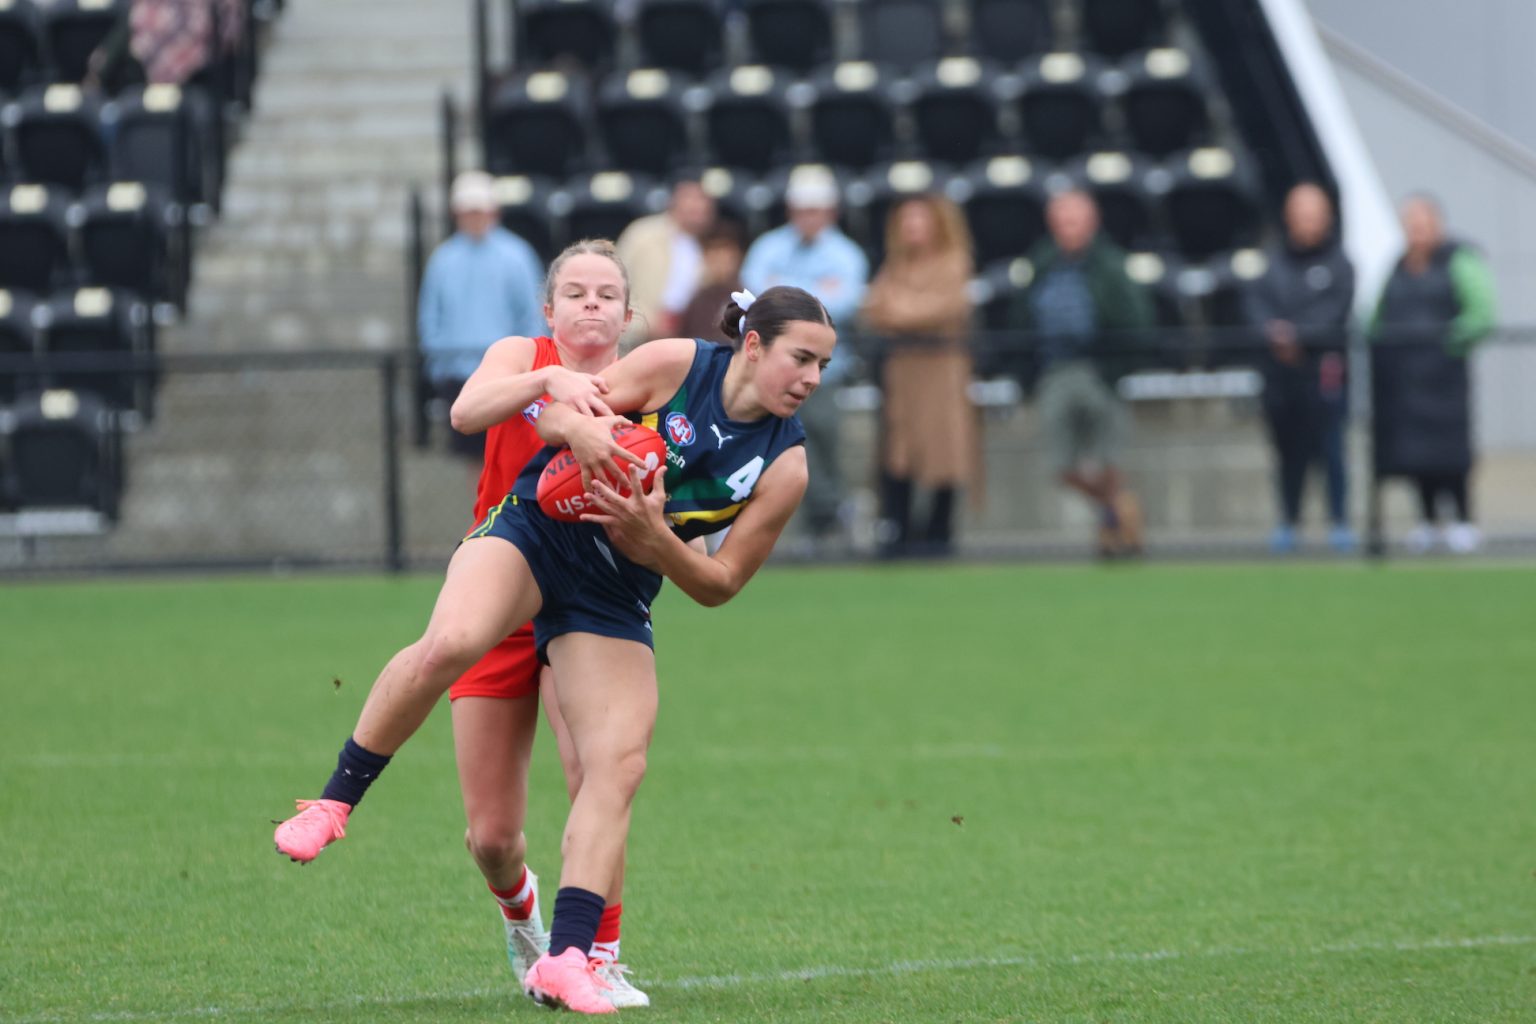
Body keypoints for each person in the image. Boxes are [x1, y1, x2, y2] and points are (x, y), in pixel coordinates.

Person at [274, 276, 834, 1014]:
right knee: (455, 639)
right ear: (754, 345)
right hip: (536, 532)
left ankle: (568, 959)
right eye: (802, 358)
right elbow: (553, 418)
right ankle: (334, 803)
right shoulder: (675, 364)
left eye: (824, 366)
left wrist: (654, 538)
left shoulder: (785, 465)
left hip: (616, 590)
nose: (813, 379)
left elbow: (721, 582)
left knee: (618, 764)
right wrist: (579, 429)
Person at [438, 242, 647, 1007]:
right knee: (492, 837)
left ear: (629, 314)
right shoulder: (518, 354)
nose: (591, 305)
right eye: (576, 293)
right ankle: (521, 913)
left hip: (585, 604)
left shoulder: (647, 385)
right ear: (549, 309)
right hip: (498, 597)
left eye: (607, 295)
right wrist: (548, 380)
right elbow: (466, 412)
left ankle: (600, 954)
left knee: (596, 776)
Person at [1009, 189, 1154, 558]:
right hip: (1054, 371)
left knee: (1108, 460)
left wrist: (1116, 367)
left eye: (1075, 219)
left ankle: (1112, 532)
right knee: (1062, 464)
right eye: (1061, 220)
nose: (1068, 227)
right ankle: (1120, 508)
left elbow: (1136, 321)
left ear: (1092, 222)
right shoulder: (1040, 263)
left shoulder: (1110, 265)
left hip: (1098, 370)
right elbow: (1019, 319)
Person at [741, 164, 868, 543]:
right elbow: (756, 299)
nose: (809, 218)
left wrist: (786, 297)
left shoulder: (847, 254)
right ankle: (809, 518)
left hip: (825, 373)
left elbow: (845, 303)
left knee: (822, 442)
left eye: (816, 210)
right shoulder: (769, 247)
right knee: (773, 446)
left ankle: (827, 517)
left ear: (830, 212)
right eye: (803, 210)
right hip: (769, 373)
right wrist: (815, 293)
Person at [1369, 195, 1497, 554]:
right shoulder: (1397, 266)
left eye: (1424, 223)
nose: (1417, 231)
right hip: (1406, 382)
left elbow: (1482, 313)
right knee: (1415, 454)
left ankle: (1463, 520)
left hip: (1445, 378)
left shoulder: (1461, 260)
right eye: (1411, 224)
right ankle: (1426, 521)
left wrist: (1446, 343)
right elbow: (1375, 318)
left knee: (1451, 451)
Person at [861, 193, 977, 557]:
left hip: (942, 372)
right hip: (903, 374)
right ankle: (899, 530)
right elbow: (872, 309)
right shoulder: (895, 265)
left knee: (945, 449)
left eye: (919, 219)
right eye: (906, 220)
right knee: (900, 450)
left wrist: (900, 311)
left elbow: (942, 308)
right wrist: (903, 312)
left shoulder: (954, 261)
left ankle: (939, 531)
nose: (912, 227)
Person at [1243, 183, 1357, 554]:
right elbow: (1256, 306)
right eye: (1301, 213)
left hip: (1323, 376)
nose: (1308, 221)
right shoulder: (1272, 262)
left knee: (1332, 451)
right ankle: (1288, 522)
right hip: (1281, 379)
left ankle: (1339, 522)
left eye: (1314, 213)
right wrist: (1274, 335)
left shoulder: (1340, 264)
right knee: (1287, 454)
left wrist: (1299, 337)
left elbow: (1333, 313)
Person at [418, 170, 546, 458]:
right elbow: (430, 316)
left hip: (510, 376)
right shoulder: (443, 260)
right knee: (474, 455)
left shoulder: (516, 255)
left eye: (479, 211)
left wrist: (529, 365)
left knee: (513, 450)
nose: (474, 218)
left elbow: (532, 314)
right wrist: (441, 365)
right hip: (458, 372)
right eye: (468, 212)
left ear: (493, 212)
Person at [614, 177, 715, 348]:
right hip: (636, 337)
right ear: (674, 200)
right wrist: (644, 325)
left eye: (704, 199)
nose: (698, 205)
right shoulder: (642, 235)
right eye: (690, 197)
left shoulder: (717, 244)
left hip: (688, 340)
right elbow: (614, 285)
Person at [675, 220, 746, 343]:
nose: (719, 262)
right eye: (714, 254)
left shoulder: (746, 300)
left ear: (737, 256)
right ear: (705, 257)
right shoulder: (697, 301)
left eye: (725, 254)